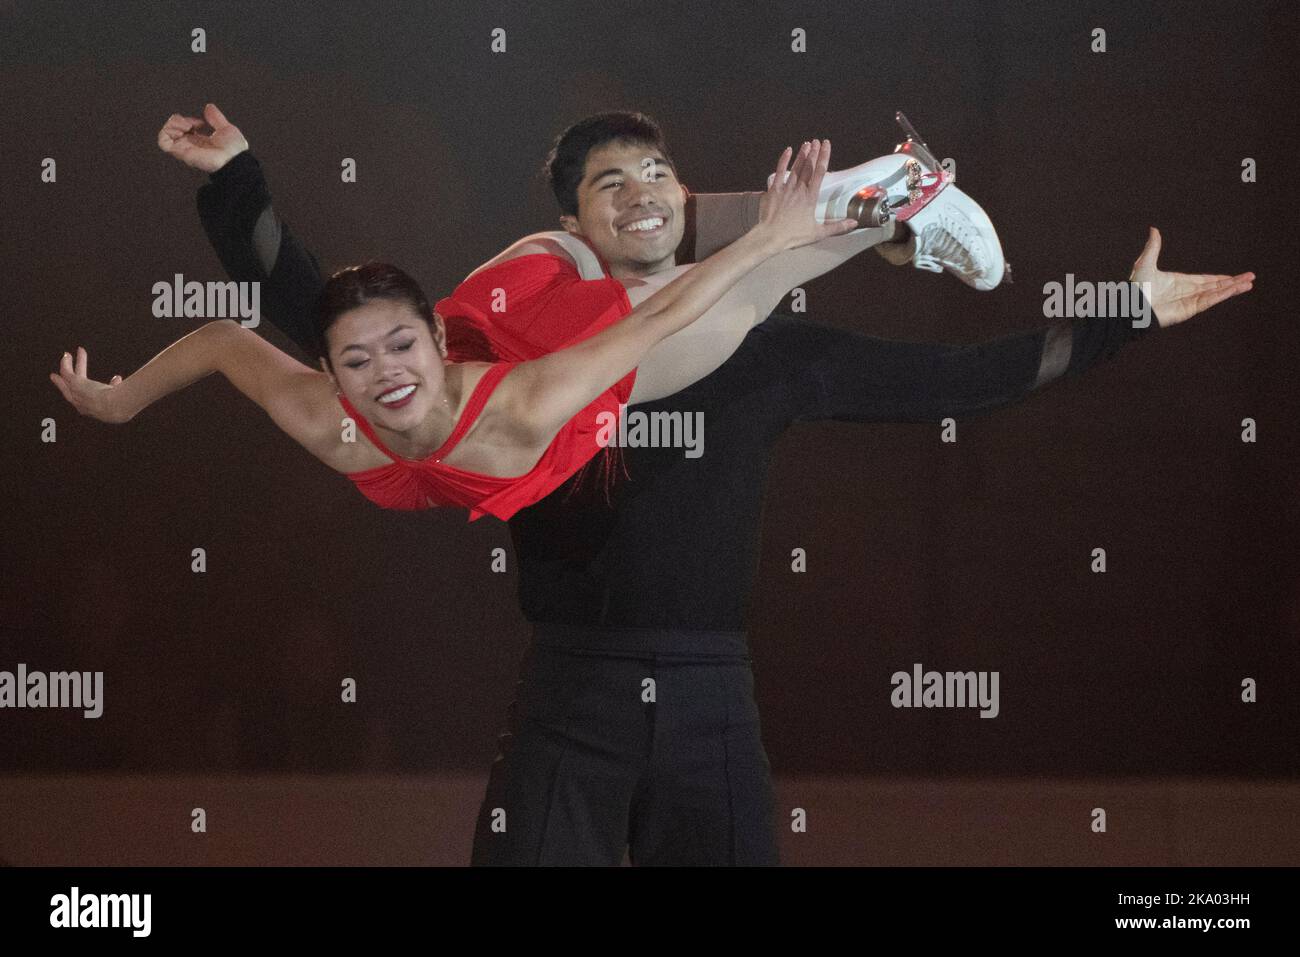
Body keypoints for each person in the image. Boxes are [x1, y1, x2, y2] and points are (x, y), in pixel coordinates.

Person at [165, 105, 1250, 864]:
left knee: (728, 302)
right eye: (607, 185)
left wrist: (1125, 314)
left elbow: (957, 379)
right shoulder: (510, 330)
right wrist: (235, 183)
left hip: (708, 702)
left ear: (685, 206)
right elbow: (328, 319)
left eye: (654, 180)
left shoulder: (768, 354)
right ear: (574, 223)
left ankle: (882, 202)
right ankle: (876, 202)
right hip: (569, 697)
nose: (636, 197)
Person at [49, 141, 883, 521]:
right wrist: (123, 401)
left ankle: (880, 203)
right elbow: (225, 341)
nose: (382, 374)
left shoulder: (525, 406)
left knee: (733, 300)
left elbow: (668, 309)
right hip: (494, 331)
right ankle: (632, 226)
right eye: (357, 361)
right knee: (580, 255)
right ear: (334, 377)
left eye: (401, 347)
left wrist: (771, 238)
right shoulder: (336, 423)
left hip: (546, 367)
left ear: (438, 342)